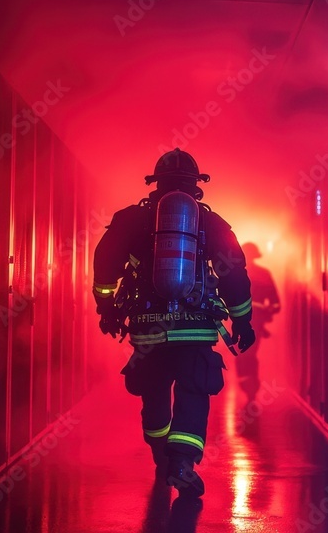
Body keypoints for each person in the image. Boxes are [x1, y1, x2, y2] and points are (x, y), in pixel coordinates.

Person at [91, 148, 256, 498]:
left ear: (155, 183)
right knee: (193, 391)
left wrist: (106, 307)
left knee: (153, 395)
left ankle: (160, 458)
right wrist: (242, 321)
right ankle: (182, 463)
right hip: (195, 328)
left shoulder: (130, 221)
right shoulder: (211, 223)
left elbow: (105, 265)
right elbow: (234, 276)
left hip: (147, 328)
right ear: (197, 185)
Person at [236, 242, 280, 404]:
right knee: (249, 355)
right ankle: (251, 390)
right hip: (255, 324)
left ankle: (249, 389)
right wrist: (267, 313)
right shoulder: (263, 274)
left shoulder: (236, 275)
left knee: (243, 356)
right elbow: (276, 303)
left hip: (240, 324)